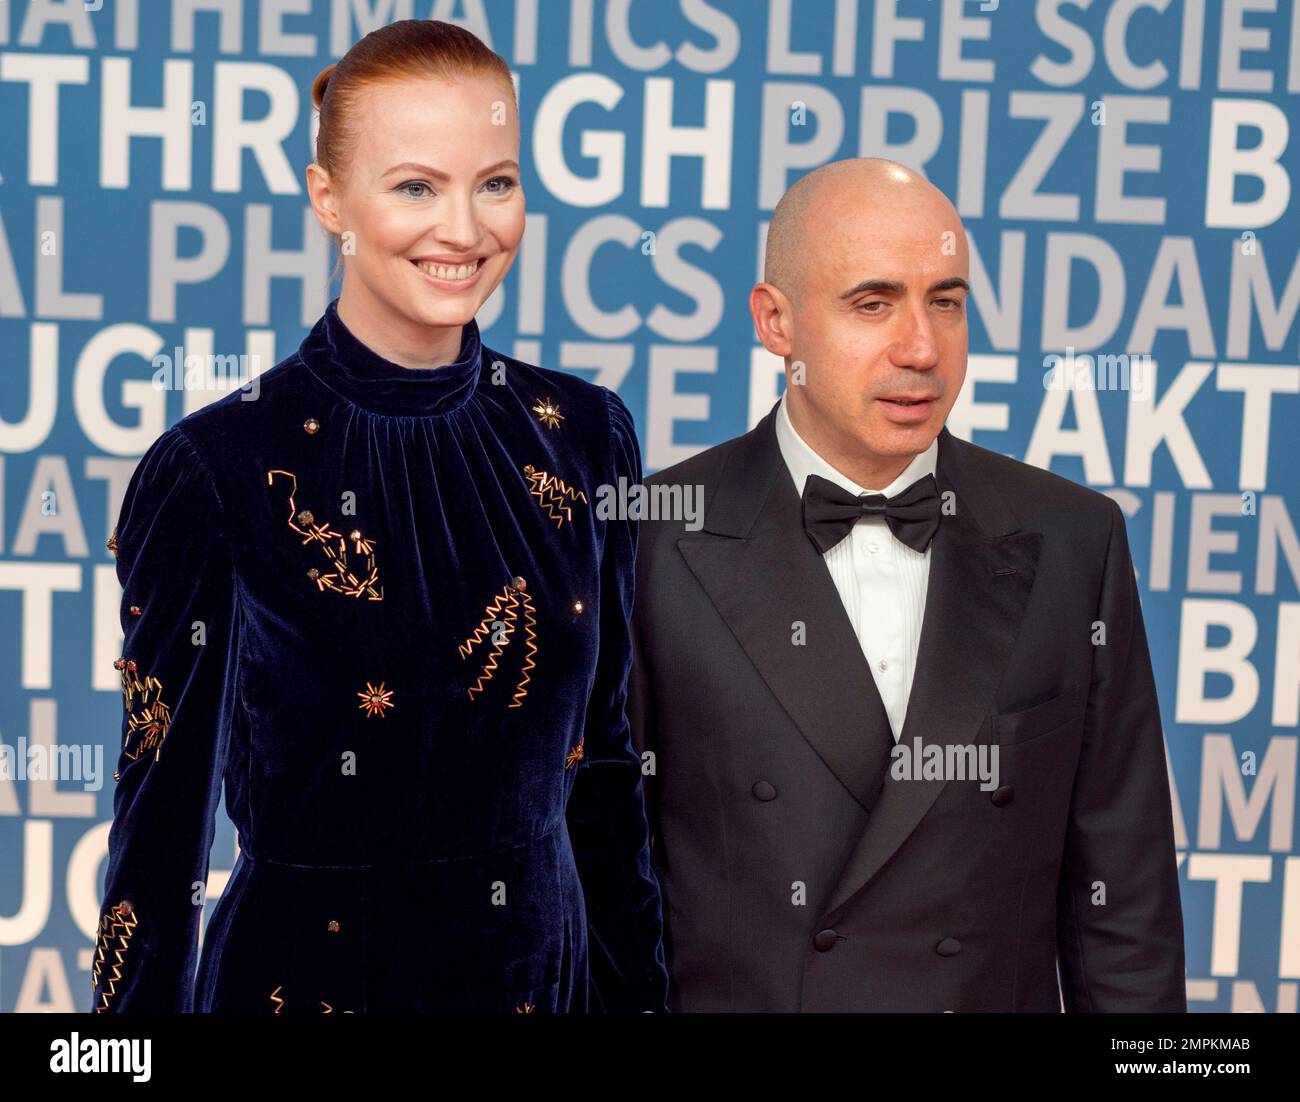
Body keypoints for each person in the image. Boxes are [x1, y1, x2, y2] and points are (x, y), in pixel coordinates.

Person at [93, 19, 667, 1014]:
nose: (465, 229)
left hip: (548, 982)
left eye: (494, 182)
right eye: (415, 186)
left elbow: (609, 773)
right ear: (330, 202)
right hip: (305, 984)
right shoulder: (214, 469)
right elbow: (160, 830)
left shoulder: (586, 434)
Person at [627, 158, 1186, 1012]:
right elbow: (600, 890)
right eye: (873, 303)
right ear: (776, 322)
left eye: (947, 301)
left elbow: (1127, 910)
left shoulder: (1077, 539)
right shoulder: (650, 539)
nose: (921, 348)